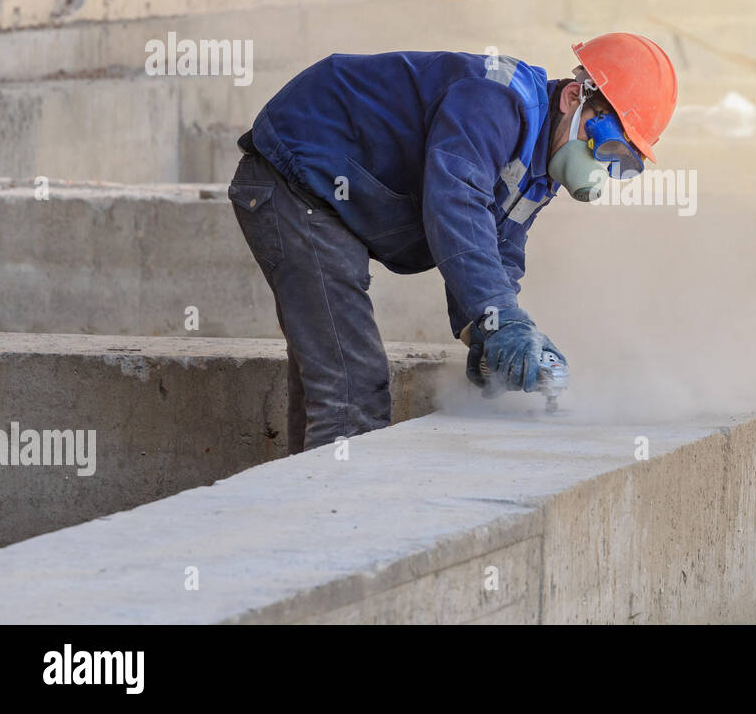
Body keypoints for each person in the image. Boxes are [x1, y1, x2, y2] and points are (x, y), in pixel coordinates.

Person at [228, 33, 678, 453]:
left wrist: (487, 329)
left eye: (622, 164)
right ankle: (335, 525)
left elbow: (498, 249)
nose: (602, 167)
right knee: (352, 387)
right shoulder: (494, 102)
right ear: (574, 98)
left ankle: (305, 510)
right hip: (296, 178)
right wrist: (503, 323)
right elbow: (455, 201)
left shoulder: (539, 168)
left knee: (328, 375)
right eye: (606, 145)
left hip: (331, 198)